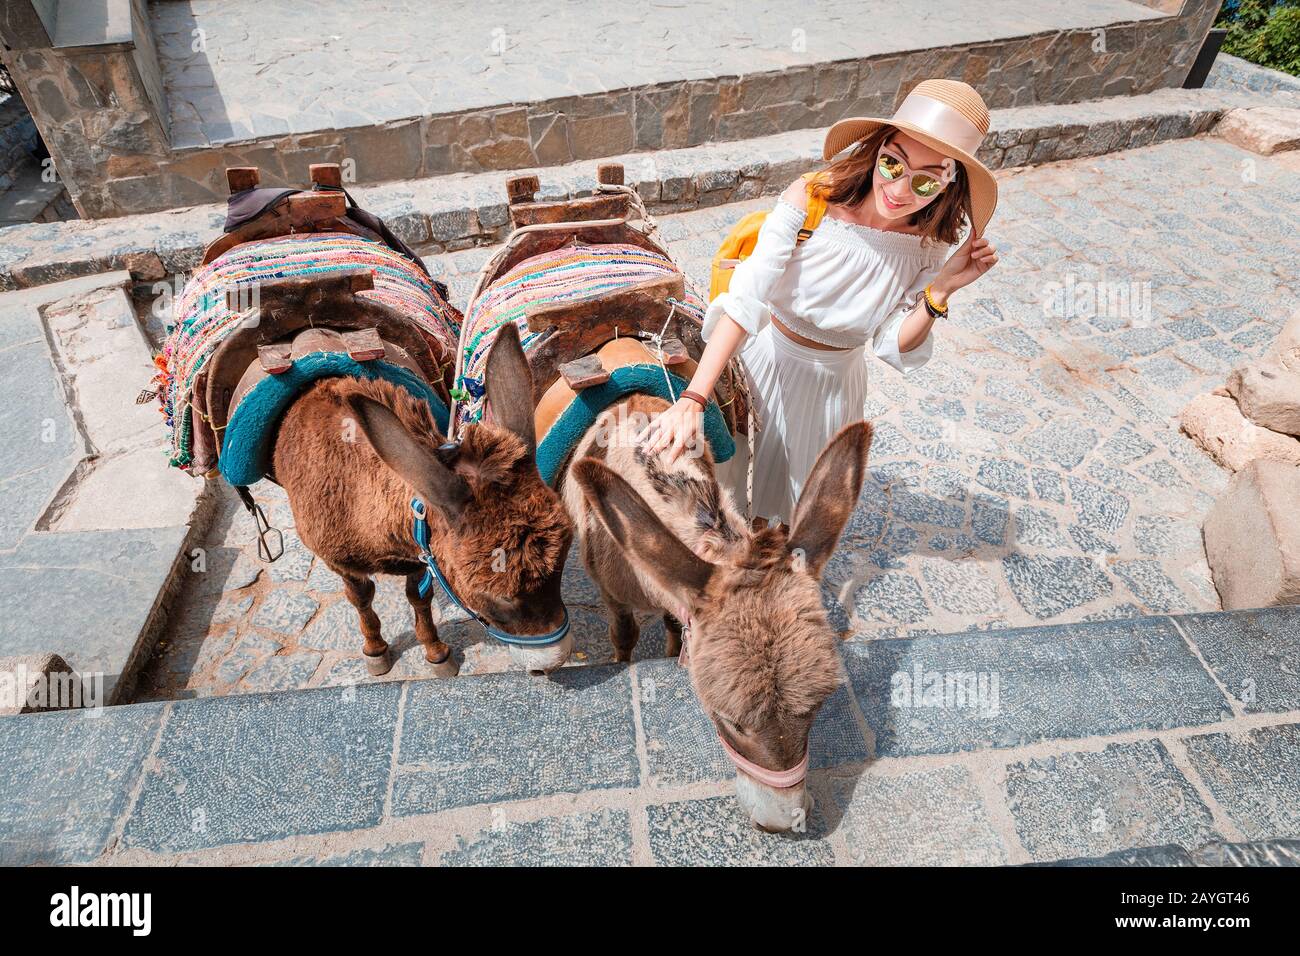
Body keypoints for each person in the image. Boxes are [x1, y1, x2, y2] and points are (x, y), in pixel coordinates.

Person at [640, 79, 1001, 526]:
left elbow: (892, 343)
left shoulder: (927, 247)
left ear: (949, 186)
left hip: (833, 384)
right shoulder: (811, 199)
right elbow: (748, 296)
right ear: (877, 151)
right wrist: (694, 397)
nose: (901, 189)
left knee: (793, 512)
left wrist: (940, 291)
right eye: (893, 165)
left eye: (926, 182)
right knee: (723, 488)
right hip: (760, 357)